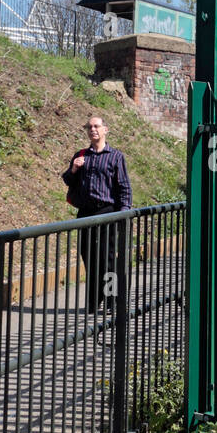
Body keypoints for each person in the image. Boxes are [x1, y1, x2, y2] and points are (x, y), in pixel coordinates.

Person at [62, 115, 132, 315]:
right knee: (88, 257)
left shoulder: (116, 156)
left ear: (105, 130)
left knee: (107, 259)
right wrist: (74, 168)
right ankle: (93, 301)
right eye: (89, 127)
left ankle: (112, 300)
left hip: (107, 212)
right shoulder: (82, 154)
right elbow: (67, 180)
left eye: (96, 126)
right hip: (85, 213)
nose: (93, 130)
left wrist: (123, 213)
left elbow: (124, 187)